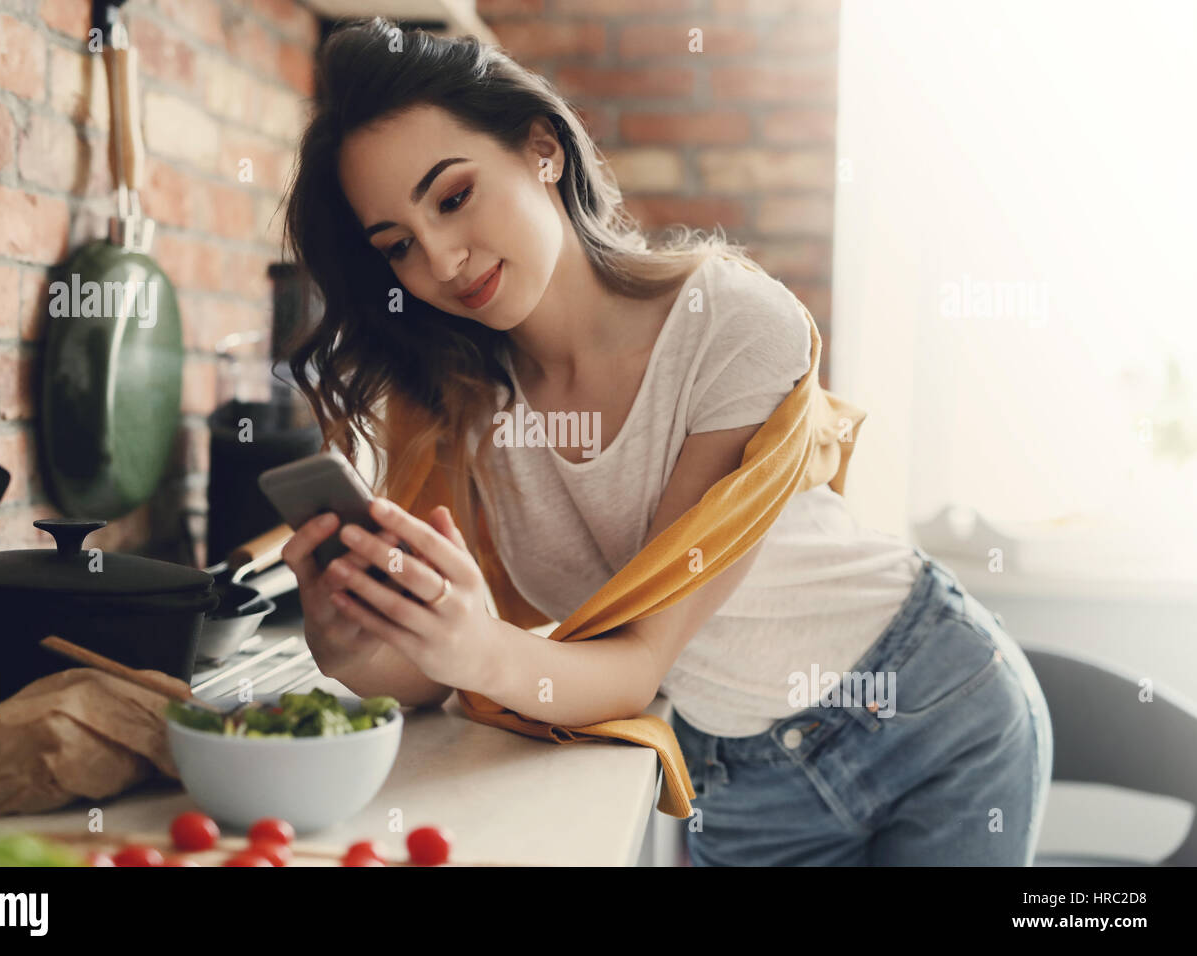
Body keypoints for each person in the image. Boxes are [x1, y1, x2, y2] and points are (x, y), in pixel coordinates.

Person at [278, 17, 1053, 866]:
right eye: (398, 246)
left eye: (454, 197)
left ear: (545, 151)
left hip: (935, 715)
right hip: (737, 775)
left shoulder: (732, 325)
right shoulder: (456, 403)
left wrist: (476, 647)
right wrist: (352, 642)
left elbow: (635, 661)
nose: (443, 259)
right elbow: (450, 668)